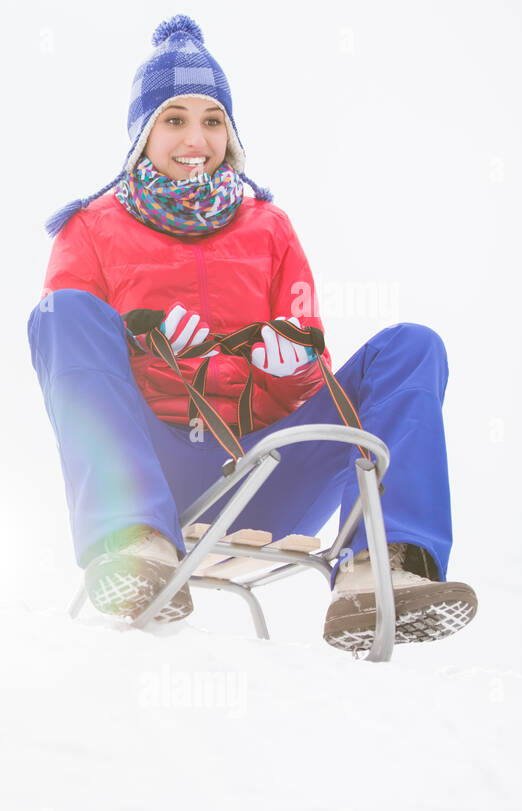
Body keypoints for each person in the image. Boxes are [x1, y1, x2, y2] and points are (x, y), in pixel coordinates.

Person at [26, 14, 477, 653]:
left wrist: (288, 366)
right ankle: (132, 542)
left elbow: (305, 371)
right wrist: (145, 351)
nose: (195, 137)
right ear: (142, 132)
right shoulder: (90, 230)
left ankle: (379, 567)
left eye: (213, 121)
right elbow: (77, 361)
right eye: (174, 118)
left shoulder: (269, 228)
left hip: (264, 473)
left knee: (413, 345)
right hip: (154, 471)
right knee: (60, 313)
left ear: (230, 134)